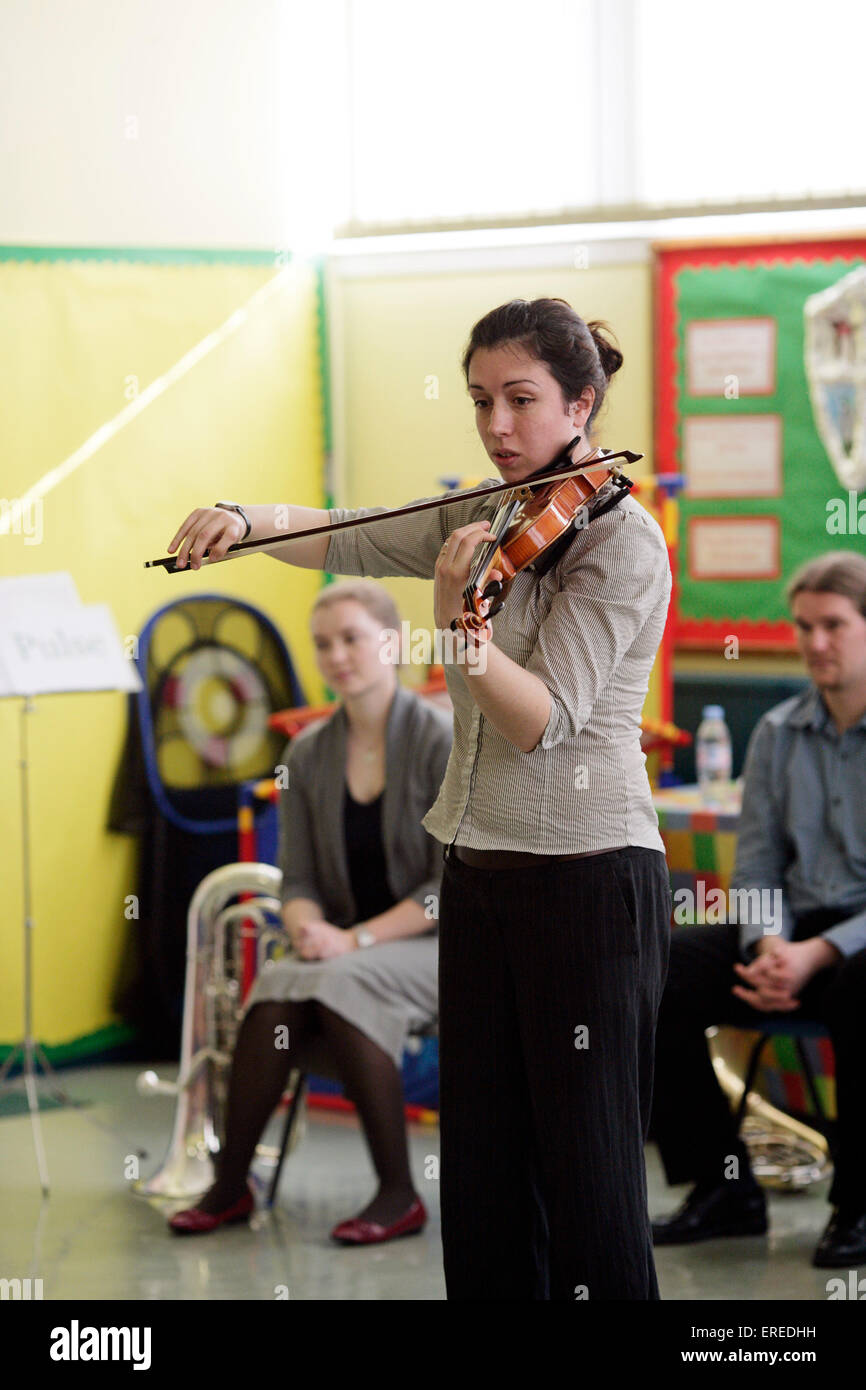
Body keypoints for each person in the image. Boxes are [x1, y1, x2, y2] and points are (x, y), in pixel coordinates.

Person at [167, 297, 673, 1299]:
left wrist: (457, 631)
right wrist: (245, 519)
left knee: (587, 1177)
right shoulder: (488, 518)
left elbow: (542, 718)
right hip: (477, 879)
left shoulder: (623, 545)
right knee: (482, 1176)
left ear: (582, 401)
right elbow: (347, 536)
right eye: (481, 399)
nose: (494, 425)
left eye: (520, 400)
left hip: (586, 887)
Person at [169, 579, 452, 1244]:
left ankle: (397, 1193)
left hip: (443, 945)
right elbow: (295, 878)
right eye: (323, 644)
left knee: (334, 979)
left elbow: (450, 888)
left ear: (391, 642)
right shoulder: (306, 753)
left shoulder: (440, 739)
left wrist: (349, 941)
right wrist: (304, 925)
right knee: (275, 992)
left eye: (351, 638)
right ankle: (231, 1185)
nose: (336, 656)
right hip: (346, 956)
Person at [650, 552, 866, 1269]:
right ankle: (723, 1188)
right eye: (804, 627)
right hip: (793, 926)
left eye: (834, 625)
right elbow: (757, 866)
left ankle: (858, 1204)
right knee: (661, 974)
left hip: (855, 943)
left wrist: (819, 953)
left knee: (863, 995)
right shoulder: (776, 733)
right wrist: (771, 942)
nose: (815, 643)